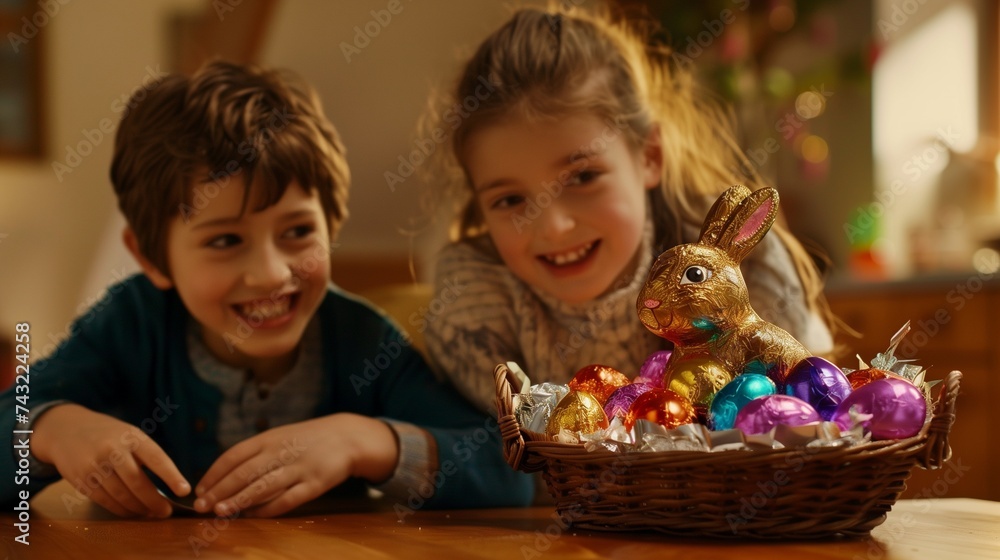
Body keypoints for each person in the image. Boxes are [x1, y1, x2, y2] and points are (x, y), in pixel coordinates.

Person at [0, 61, 532, 518]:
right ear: (151, 257)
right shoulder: (129, 326)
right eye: (226, 240)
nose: (272, 274)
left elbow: (509, 471)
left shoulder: (363, 343)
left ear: (334, 221)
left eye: (297, 232)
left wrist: (364, 441)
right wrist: (51, 428)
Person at [422, 6, 837, 414]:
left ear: (649, 156)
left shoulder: (748, 274)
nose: (554, 226)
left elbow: (805, 429)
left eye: (582, 177)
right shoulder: (473, 311)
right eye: (510, 200)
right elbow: (487, 465)